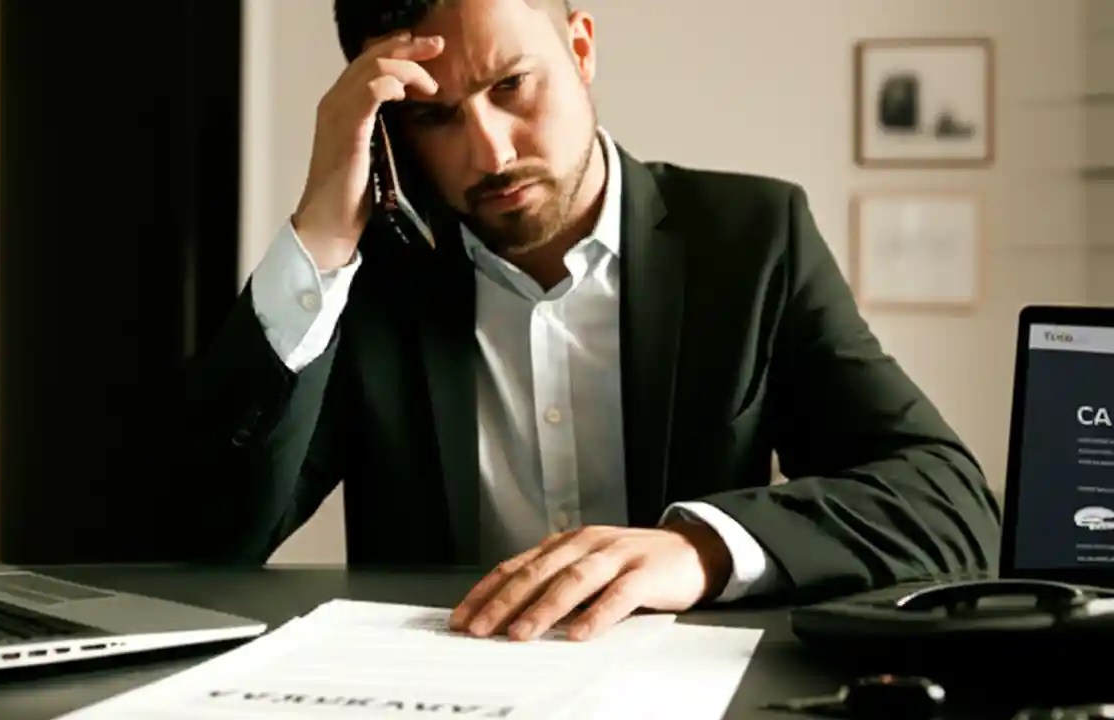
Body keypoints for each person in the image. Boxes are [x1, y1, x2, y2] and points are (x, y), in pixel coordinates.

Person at [181, 0, 1001, 642]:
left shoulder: (752, 239)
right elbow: (200, 542)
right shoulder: (364, 284)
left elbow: (949, 504)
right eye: (435, 117)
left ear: (579, 49)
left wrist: (701, 551)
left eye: (511, 86)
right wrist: (321, 238)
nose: (490, 153)